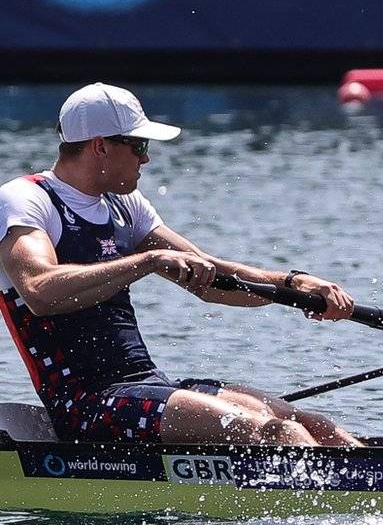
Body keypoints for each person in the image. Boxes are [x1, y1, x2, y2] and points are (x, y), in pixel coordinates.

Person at [0, 82, 362, 446]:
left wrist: (293, 283)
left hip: (147, 386)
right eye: (139, 146)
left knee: (314, 426)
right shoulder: (28, 199)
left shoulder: (124, 206)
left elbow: (207, 275)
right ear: (100, 147)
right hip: (85, 405)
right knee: (276, 433)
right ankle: (342, 503)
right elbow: (39, 290)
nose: (146, 159)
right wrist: (148, 261)